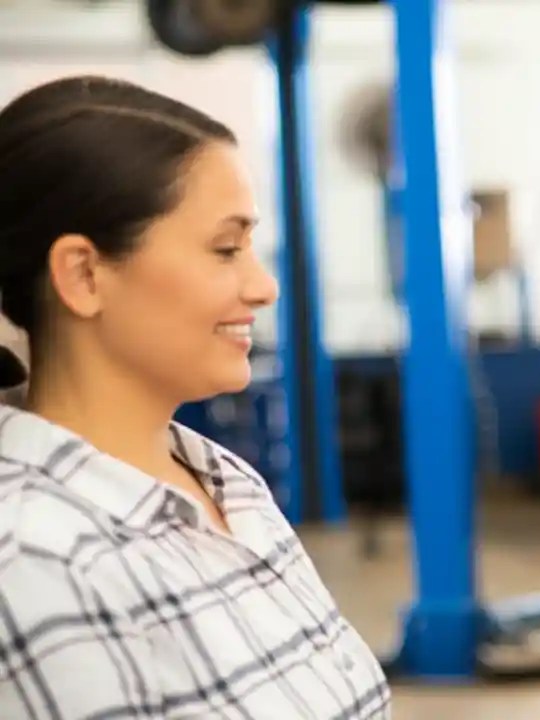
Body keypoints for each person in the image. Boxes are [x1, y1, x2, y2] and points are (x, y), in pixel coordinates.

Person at [0, 76, 391, 718]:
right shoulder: (39, 564)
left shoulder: (225, 483)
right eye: (225, 249)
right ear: (84, 274)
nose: (264, 286)